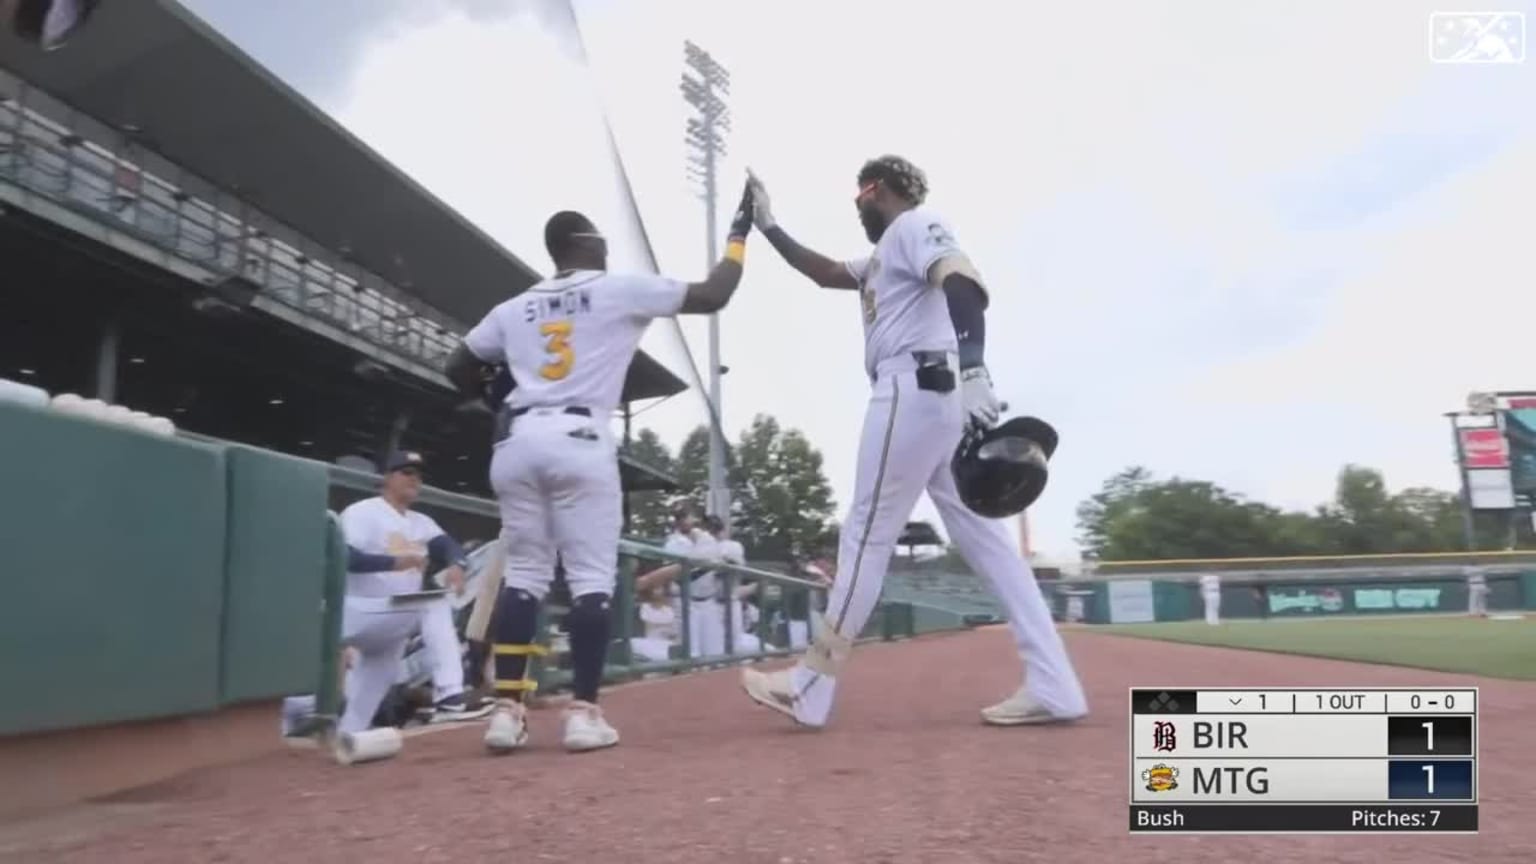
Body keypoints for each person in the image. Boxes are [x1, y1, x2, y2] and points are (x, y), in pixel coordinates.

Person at [739, 157, 1088, 728]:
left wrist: (975, 369)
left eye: (862, 192)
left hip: (914, 390)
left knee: (866, 532)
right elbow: (825, 272)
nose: (856, 204)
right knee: (989, 545)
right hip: (931, 398)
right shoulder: (882, 256)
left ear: (884, 190)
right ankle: (1056, 684)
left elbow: (963, 281)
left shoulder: (912, 225)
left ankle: (810, 685)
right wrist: (770, 225)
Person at [445, 186, 755, 754]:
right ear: (583, 244)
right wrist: (738, 237)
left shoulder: (514, 307)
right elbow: (714, 294)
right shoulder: (615, 288)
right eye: (602, 242)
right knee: (589, 579)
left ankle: (507, 711)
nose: (609, 249)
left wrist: (497, 401)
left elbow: (458, 365)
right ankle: (583, 713)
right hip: (580, 436)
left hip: (518, 440)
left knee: (525, 577)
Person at [324, 451, 482, 737]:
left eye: (418, 475)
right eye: (406, 472)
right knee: (432, 604)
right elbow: (343, 557)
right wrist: (394, 562)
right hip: (357, 610)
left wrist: (457, 563)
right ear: (387, 477)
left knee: (359, 714)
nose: (414, 479)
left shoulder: (421, 522)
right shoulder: (364, 512)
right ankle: (449, 697)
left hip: (391, 623)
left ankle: (341, 745)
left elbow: (448, 546)